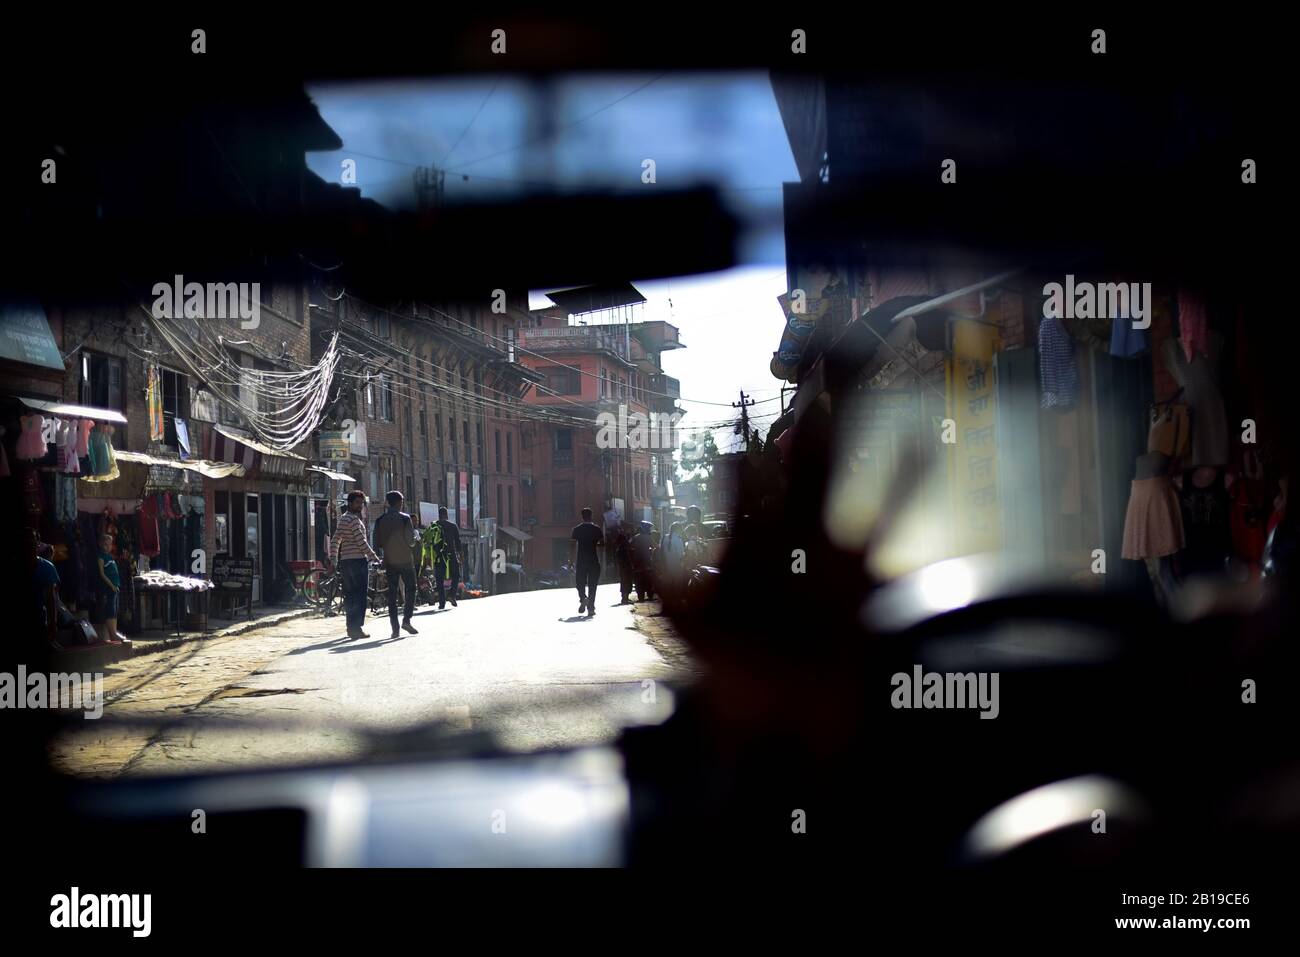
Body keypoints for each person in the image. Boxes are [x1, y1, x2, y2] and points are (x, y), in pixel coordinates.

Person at [332, 490, 380, 640]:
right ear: (350, 503)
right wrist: (374, 557)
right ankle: (356, 628)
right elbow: (361, 542)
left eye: (361, 503)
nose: (360, 506)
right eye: (357, 503)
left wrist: (333, 558)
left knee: (350, 596)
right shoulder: (353, 520)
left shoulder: (343, 519)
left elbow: (336, 539)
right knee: (359, 596)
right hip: (358, 562)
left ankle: (351, 627)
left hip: (346, 562)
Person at [373, 490, 420, 638]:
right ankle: (406, 619)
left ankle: (395, 628)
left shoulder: (380, 520)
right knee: (411, 589)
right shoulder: (405, 518)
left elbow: (377, 543)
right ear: (400, 502)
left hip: (389, 561)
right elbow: (411, 542)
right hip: (405, 560)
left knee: (392, 595)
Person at [28, 528, 62, 652]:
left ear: (37, 543)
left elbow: (51, 598)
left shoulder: (47, 567)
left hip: (39, 617)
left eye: (31, 540)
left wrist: (53, 623)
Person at [570, 506, 604, 617]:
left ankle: (583, 598)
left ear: (582, 516)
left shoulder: (577, 529)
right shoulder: (597, 529)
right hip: (594, 561)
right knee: (592, 585)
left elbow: (572, 546)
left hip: (581, 561)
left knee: (580, 583)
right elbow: (602, 545)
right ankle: (591, 608)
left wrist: (571, 560)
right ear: (591, 516)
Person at [95, 533, 126, 643]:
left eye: (109, 544)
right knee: (110, 609)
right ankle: (112, 634)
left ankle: (115, 632)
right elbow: (102, 573)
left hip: (115, 587)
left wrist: (116, 585)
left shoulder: (110, 556)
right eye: (105, 544)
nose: (107, 546)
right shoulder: (101, 557)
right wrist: (112, 585)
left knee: (115, 610)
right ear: (100, 544)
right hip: (108, 587)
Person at [434, 505, 461, 609]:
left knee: (439, 579)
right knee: (456, 575)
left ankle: (441, 602)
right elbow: (457, 542)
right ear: (446, 515)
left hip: (438, 556)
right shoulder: (452, 526)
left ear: (439, 515)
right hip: (451, 554)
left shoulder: (434, 526)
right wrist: (460, 556)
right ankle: (451, 595)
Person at [632, 520, 656, 601]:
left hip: (637, 563)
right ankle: (650, 595)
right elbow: (655, 547)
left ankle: (641, 596)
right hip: (647, 562)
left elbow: (631, 547)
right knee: (649, 580)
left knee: (639, 581)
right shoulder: (648, 538)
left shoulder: (636, 537)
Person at [615, 524, 634, 605]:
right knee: (627, 581)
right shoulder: (624, 545)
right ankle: (625, 598)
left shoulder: (620, 547)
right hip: (626, 565)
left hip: (622, 566)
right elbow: (627, 555)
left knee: (624, 581)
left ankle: (625, 597)